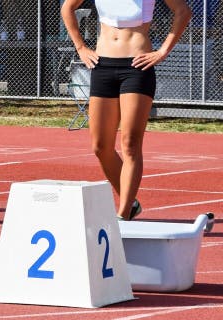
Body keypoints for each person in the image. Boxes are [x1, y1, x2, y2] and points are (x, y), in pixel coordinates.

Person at [61, 0, 191, 220]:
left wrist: (163, 51)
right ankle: (130, 203)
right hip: (102, 65)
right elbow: (67, 8)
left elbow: (183, 11)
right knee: (100, 146)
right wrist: (81, 47)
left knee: (130, 143)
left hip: (137, 67)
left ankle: (123, 214)